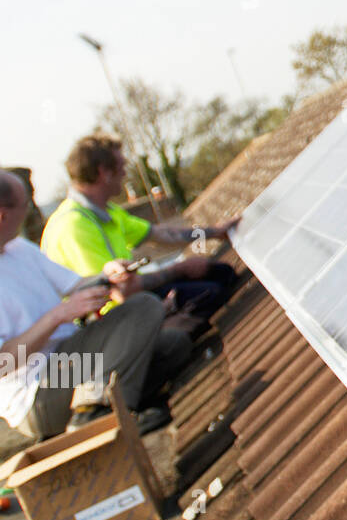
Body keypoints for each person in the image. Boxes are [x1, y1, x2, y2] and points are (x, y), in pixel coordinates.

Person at [0, 171, 188, 439]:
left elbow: (76, 285)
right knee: (144, 307)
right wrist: (57, 316)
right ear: (2, 216)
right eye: (25, 206)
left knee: (173, 346)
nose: (29, 211)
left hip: (72, 361)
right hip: (39, 391)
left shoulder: (18, 248)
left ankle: (104, 405)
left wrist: (107, 275)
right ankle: (95, 417)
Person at [40, 134, 240, 337]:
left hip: (133, 297)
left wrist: (214, 232)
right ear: (104, 172)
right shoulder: (74, 226)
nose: (125, 173)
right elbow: (118, 292)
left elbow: (161, 235)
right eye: (121, 166)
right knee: (209, 294)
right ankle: (160, 338)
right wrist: (181, 269)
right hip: (112, 323)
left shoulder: (103, 211)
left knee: (223, 274)